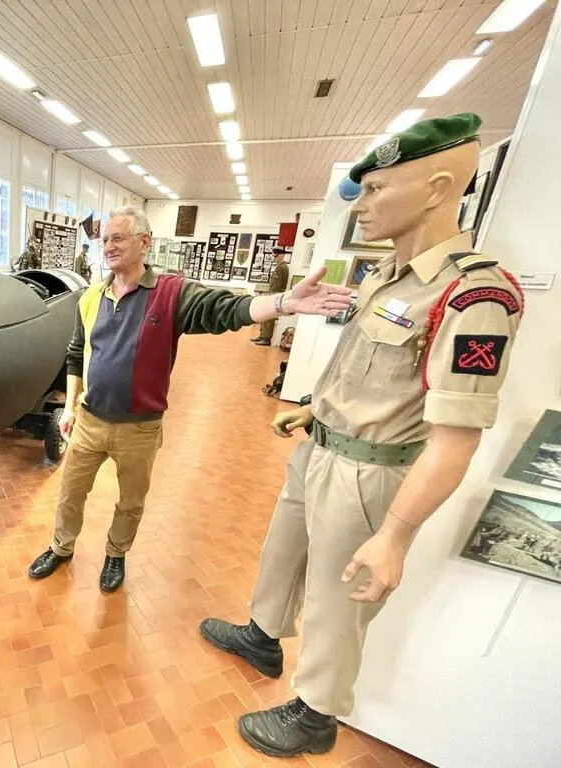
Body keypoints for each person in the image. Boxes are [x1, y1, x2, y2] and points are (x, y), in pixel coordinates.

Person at [199, 113, 524, 758]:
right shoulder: (383, 276)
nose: (362, 204)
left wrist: (396, 535)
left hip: (370, 475)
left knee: (335, 599)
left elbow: (456, 439)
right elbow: (367, 375)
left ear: (436, 189)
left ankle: (315, 712)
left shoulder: (471, 294)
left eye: (377, 189)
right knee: (282, 556)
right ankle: (262, 635)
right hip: (318, 449)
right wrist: (313, 413)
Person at [27, 205, 354, 592]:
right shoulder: (91, 297)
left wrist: (282, 304)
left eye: (119, 237)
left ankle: (116, 554)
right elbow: (77, 353)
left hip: (140, 429)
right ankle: (61, 547)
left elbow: (226, 310)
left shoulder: (170, 294)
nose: (109, 246)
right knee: (70, 493)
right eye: (106, 239)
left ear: (144, 242)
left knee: (130, 503)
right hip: (90, 420)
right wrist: (69, 406)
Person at [251, 247, 290, 346]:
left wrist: (272, 296)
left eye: (276, 256)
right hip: (273, 294)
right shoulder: (280, 266)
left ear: (282, 255)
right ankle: (263, 335)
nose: (274, 258)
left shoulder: (282, 267)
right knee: (265, 315)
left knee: (269, 317)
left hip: (275, 295)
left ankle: (266, 338)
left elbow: (277, 284)